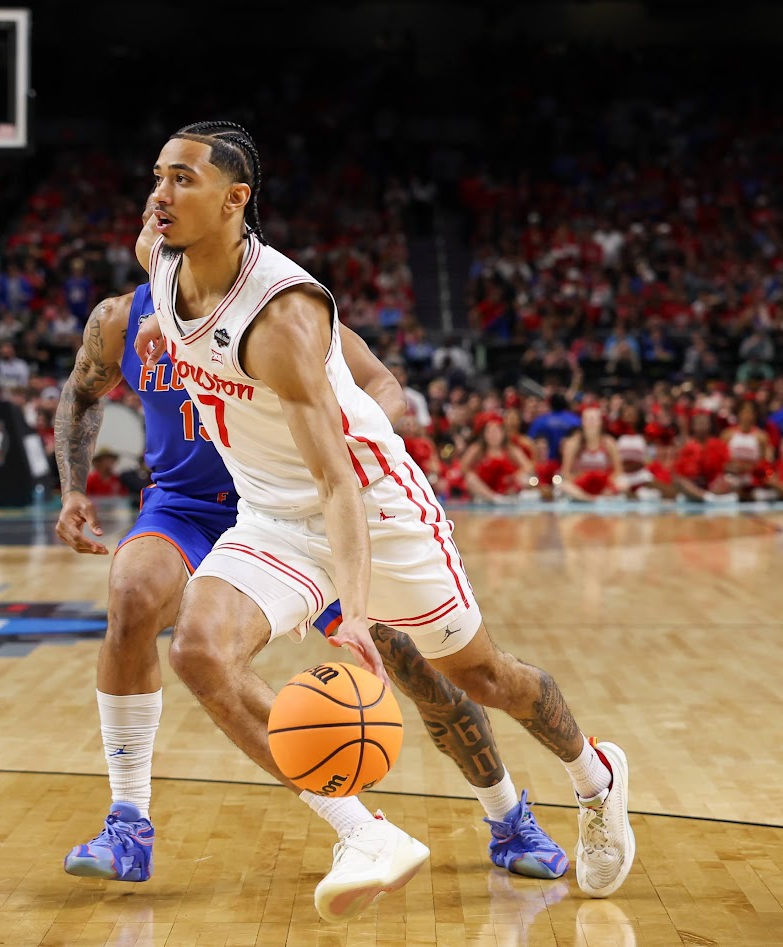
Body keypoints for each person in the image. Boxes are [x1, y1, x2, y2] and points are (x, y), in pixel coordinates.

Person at [130, 121, 631, 911]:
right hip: (269, 515)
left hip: (373, 506)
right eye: (158, 175)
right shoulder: (157, 254)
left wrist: (355, 613)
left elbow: (336, 482)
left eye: (182, 179)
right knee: (198, 650)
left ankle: (594, 777)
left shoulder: (280, 318)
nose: (160, 194)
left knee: (483, 677)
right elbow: (179, 311)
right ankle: (365, 832)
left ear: (235, 200)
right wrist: (165, 329)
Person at [55, 206, 566, 912]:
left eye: (176, 195)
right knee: (133, 596)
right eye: (151, 203)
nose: (160, 213)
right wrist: (72, 488)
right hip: (190, 506)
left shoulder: (275, 307)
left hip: (300, 510)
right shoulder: (122, 318)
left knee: (422, 672)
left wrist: (349, 456)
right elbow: (80, 392)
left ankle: (507, 814)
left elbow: (379, 382)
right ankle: (128, 822)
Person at [558, 405, 622, 502]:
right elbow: (566, 472)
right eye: (588, 419)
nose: (591, 422)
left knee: (624, 482)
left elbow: (618, 471)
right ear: (582, 422)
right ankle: (590, 498)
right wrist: (579, 480)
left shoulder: (609, 443)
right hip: (581, 484)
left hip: (603, 485)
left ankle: (600, 497)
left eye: (594, 419)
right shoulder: (572, 443)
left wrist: (607, 484)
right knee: (562, 484)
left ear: (600, 422)